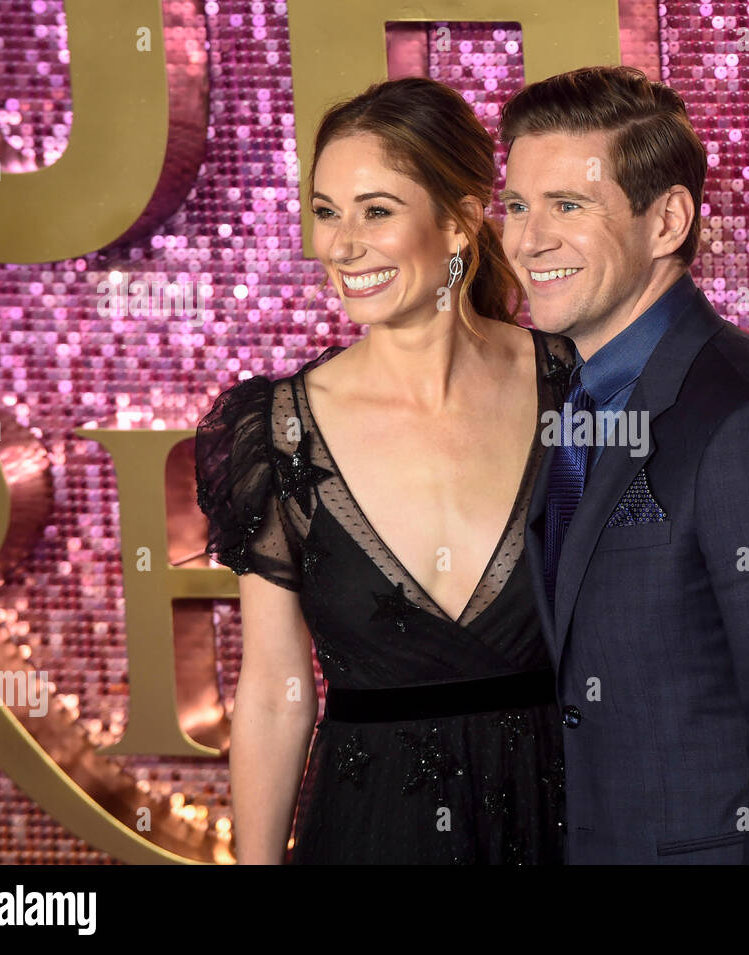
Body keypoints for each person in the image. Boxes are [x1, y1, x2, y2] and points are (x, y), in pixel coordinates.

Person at [499, 66, 749, 864]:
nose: (526, 239)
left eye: (568, 206)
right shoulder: (578, 400)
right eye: (516, 205)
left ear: (667, 220)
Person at [194, 77, 571, 864]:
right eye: (327, 212)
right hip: (370, 835)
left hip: (568, 819)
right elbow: (271, 694)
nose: (342, 244)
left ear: (462, 222)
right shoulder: (276, 431)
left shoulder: (581, 388)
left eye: (376, 210)